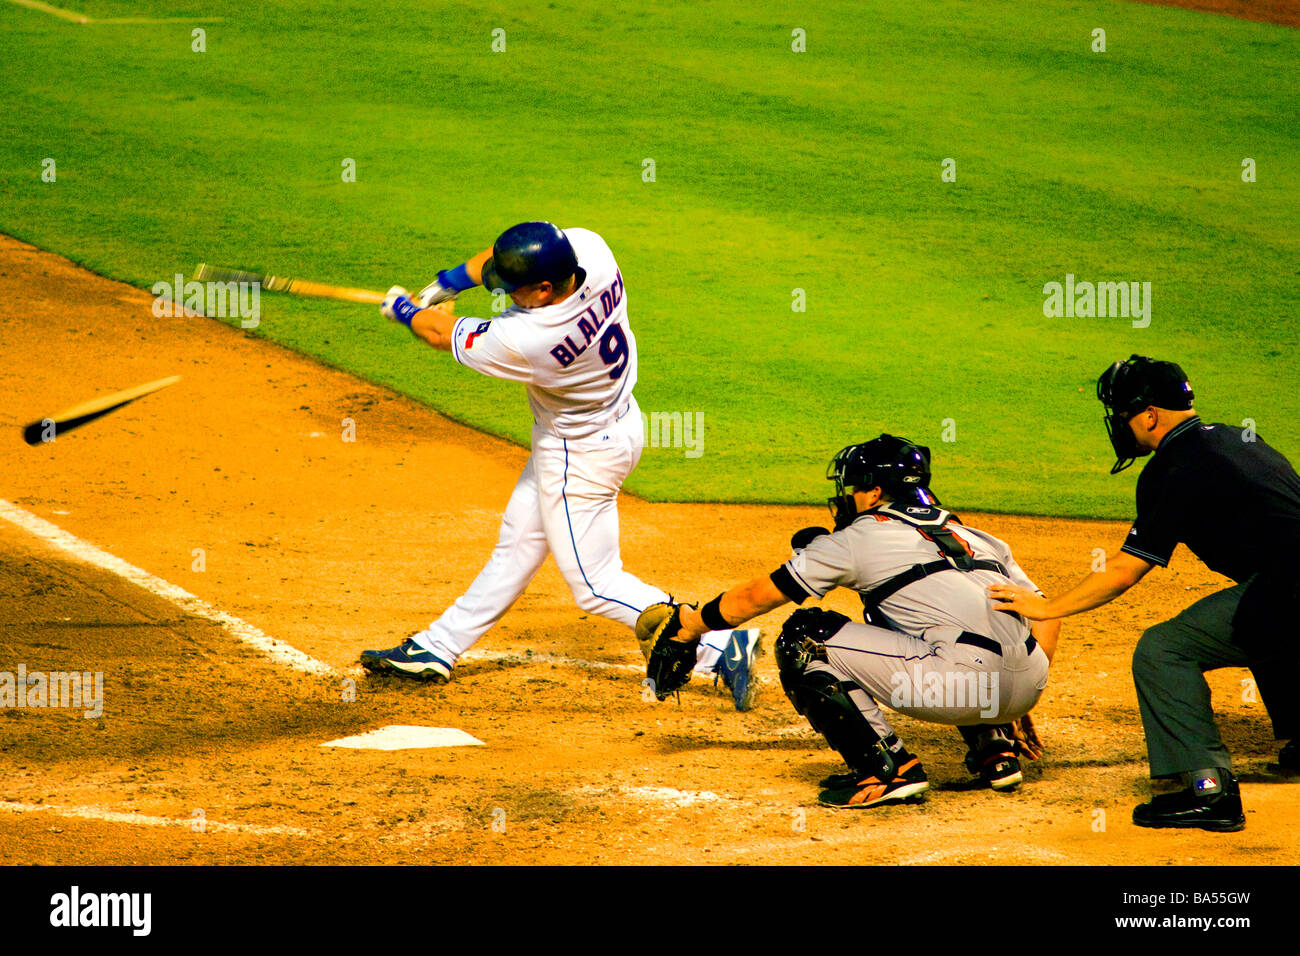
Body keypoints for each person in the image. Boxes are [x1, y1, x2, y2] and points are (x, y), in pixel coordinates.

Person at [359, 222, 759, 709]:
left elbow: (441, 334)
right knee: (520, 542)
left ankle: (721, 645)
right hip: (617, 423)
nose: (506, 296)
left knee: (595, 585)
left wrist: (405, 311)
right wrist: (447, 282)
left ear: (546, 288)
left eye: (515, 291)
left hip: (580, 453)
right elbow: (505, 255)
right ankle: (437, 646)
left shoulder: (529, 338)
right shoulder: (591, 248)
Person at [644, 434, 1059, 808]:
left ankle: (887, 770)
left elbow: (756, 597)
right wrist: (1021, 687)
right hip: (1025, 686)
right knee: (925, 620)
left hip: (960, 685)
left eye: (853, 487)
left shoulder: (859, 536)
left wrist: (689, 626)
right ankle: (995, 749)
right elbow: (1045, 613)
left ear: (874, 492)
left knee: (806, 637)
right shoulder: (974, 535)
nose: (846, 496)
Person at [989, 355, 1300, 832]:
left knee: (1164, 649)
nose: (1119, 425)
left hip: (1290, 586)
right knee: (1259, 611)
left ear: (1149, 414)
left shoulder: (1172, 467)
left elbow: (1125, 570)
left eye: (1121, 414)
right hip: (1285, 583)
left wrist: (1048, 607)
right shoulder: (1240, 437)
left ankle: (1208, 791)